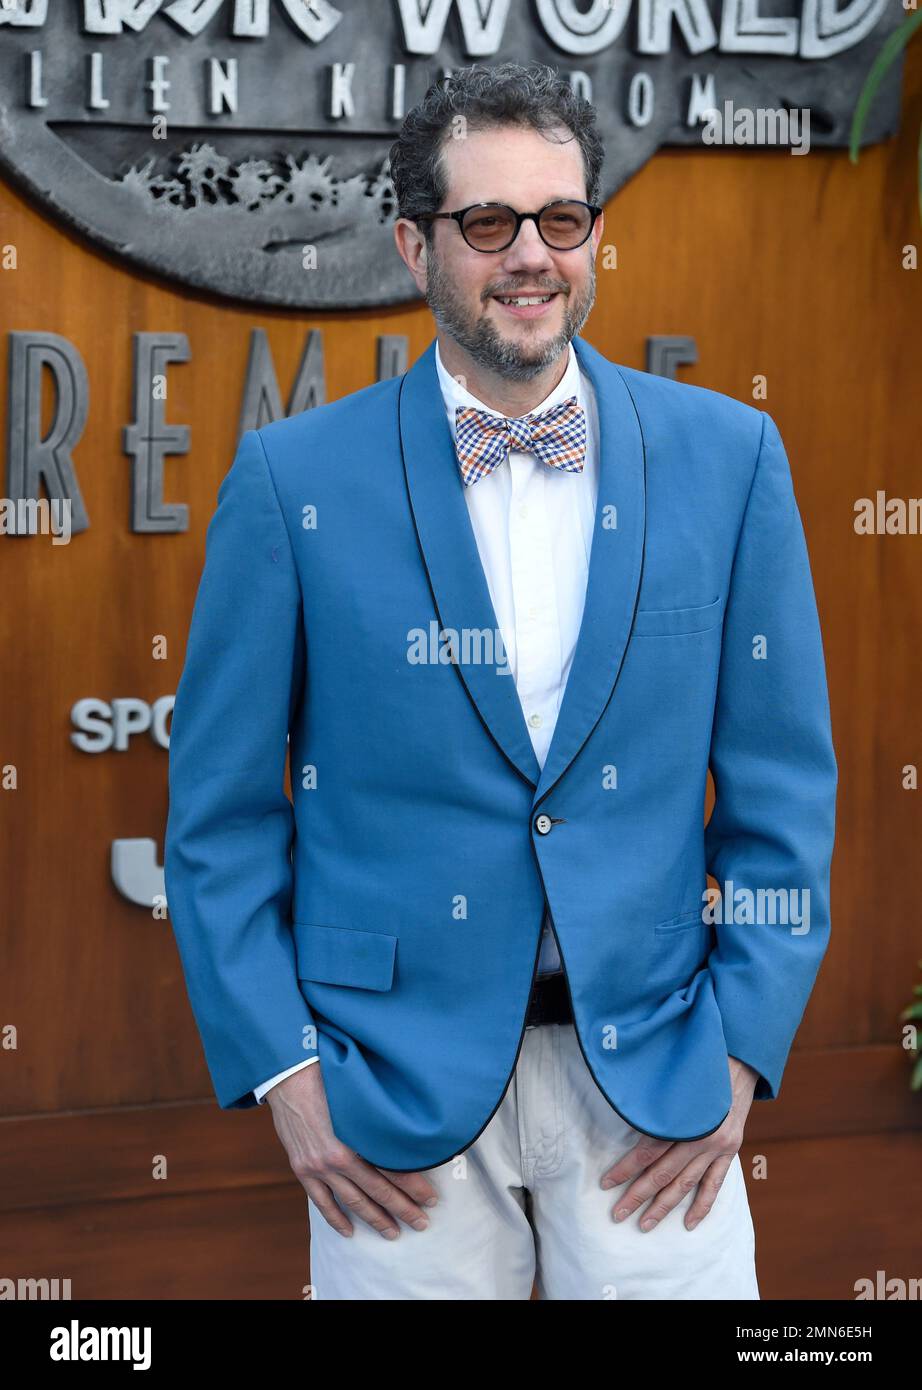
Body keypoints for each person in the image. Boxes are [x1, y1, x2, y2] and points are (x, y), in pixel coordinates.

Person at [164, 61, 837, 1300]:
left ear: (591, 237)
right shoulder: (288, 480)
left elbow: (780, 791)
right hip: (386, 1096)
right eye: (487, 223)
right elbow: (216, 819)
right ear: (416, 248)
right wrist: (287, 1079)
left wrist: (742, 1049)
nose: (530, 255)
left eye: (561, 220)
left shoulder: (730, 458)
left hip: (657, 1081)